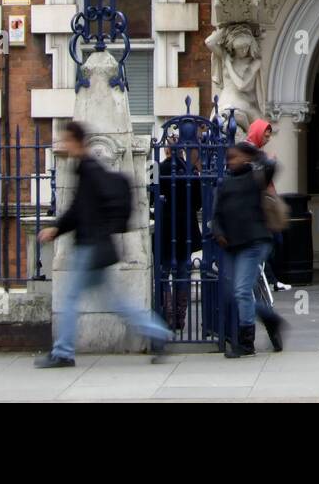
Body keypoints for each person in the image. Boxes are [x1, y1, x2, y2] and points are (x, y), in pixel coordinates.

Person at [35, 122, 171, 368]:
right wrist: (59, 229)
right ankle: (158, 332)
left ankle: (63, 352)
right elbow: (82, 208)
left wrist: (58, 229)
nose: (62, 145)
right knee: (116, 302)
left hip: (90, 247)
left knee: (70, 299)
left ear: (76, 141)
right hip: (97, 246)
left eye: (65, 140)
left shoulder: (88, 169)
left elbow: (80, 210)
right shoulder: (87, 168)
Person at [211, 139, 287, 357]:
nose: (231, 162)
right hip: (231, 244)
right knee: (234, 293)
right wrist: (218, 232)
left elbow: (273, 167)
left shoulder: (256, 178)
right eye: (229, 159)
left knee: (242, 291)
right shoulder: (224, 183)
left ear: (245, 157)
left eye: (235, 157)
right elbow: (216, 214)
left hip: (254, 242)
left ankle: (246, 343)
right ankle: (270, 319)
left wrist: (255, 153)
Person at [151, 132, 203, 330]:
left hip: (165, 226)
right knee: (183, 271)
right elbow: (198, 203)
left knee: (164, 272)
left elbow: (151, 198)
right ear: (181, 150)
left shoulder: (156, 168)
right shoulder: (191, 169)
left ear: (165, 150)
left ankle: (168, 313)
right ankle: (180, 315)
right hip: (186, 228)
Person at [246, 117, 292, 292]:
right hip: (258, 209)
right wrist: (268, 162)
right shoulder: (251, 152)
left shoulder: (256, 151)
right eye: (265, 136)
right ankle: (268, 280)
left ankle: (270, 279)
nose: (267, 140)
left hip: (263, 206)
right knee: (270, 242)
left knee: (272, 242)